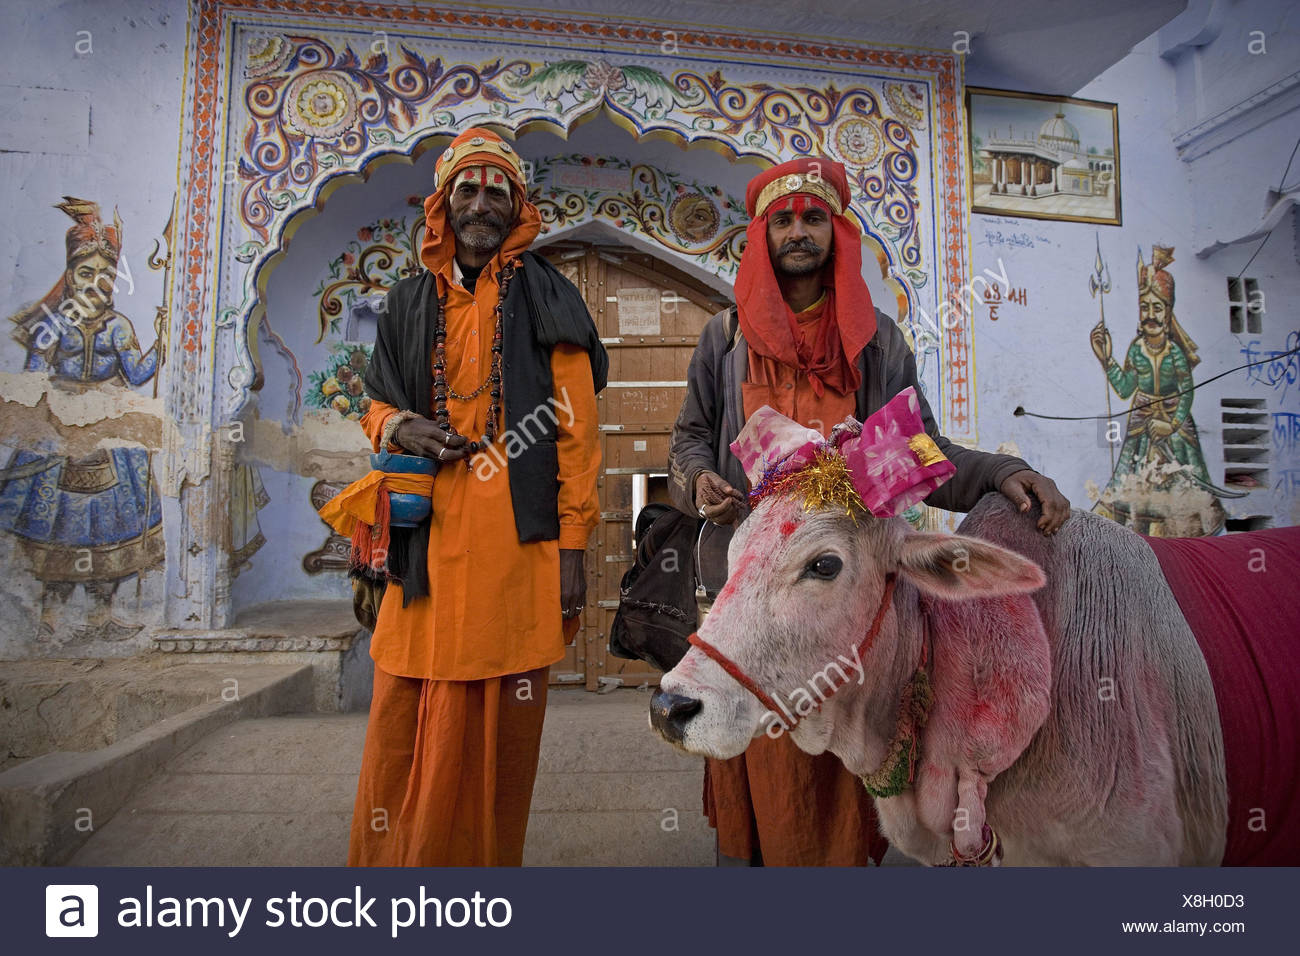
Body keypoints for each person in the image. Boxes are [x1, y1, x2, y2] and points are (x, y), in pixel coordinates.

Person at [667, 157, 1070, 866]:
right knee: (763, 771)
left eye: (814, 217)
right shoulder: (724, 337)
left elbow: (917, 453)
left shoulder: (876, 339)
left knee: (850, 781)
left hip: (846, 609)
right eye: (784, 219)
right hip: (754, 595)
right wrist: (699, 480)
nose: (799, 231)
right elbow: (689, 440)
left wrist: (1007, 471)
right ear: (763, 234)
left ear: (837, 232)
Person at [336, 128, 607, 866]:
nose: (481, 204)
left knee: (499, 726)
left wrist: (575, 548)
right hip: (423, 547)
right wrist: (402, 424)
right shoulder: (406, 302)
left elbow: (577, 434)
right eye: (467, 190)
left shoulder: (551, 296)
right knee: (403, 713)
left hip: (517, 551)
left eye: (496, 191)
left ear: (516, 205)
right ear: (444, 205)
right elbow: (371, 405)